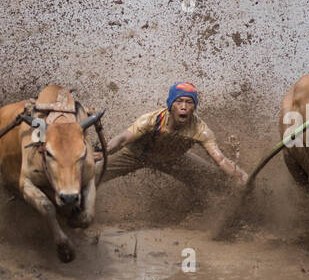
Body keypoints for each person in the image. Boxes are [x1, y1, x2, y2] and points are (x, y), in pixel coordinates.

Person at [101, 83, 249, 201]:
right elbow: (123, 139)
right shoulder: (152, 120)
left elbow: (221, 160)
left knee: (218, 181)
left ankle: (241, 201)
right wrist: (104, 151)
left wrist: (240, 175)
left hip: (172, 159)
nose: (184, 106)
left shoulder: (201, 130)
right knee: (90, 175)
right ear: (170, 105)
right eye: (179, 101)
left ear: (194, 107)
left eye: (189, 102)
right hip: (135, 155)